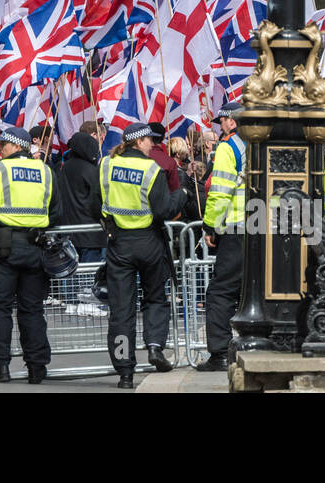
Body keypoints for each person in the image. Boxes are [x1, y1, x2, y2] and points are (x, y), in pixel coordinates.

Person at [91, 122, 186, 388]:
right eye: (149, 140)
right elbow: (164, 210)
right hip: (149, 242)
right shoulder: (150, 169)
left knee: (121, 310)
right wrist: (181, 195)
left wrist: (108, 222)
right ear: (138, 142)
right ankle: (155, 347)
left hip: (119, 243)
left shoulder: (106, 165)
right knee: (155, 298)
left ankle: (124, 371)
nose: (153, 144)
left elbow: (94, 203)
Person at [0, 125, 61, 384]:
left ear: (13, 146)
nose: (0, 149)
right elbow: (56, 212)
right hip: (36, 248)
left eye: (3, 145)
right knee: (32, 309)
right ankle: (37, 367)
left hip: (3, 248)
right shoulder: (46, 171)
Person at [196, 101, 247, 372]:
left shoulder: (230, 147)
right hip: (270, 227)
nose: (222, 127)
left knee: (220, 292)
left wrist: (210, 226)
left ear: (231, 121)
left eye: (223, 121)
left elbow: (220, 191)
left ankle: (219, 353)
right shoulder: (267, 141)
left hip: (237, 228)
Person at [58, 124, 105, 262]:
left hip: (66, 232)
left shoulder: (63, 168)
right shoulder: (91, 171)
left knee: (71, 277)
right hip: (89, 233)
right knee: (88, 278)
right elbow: (97, 200)